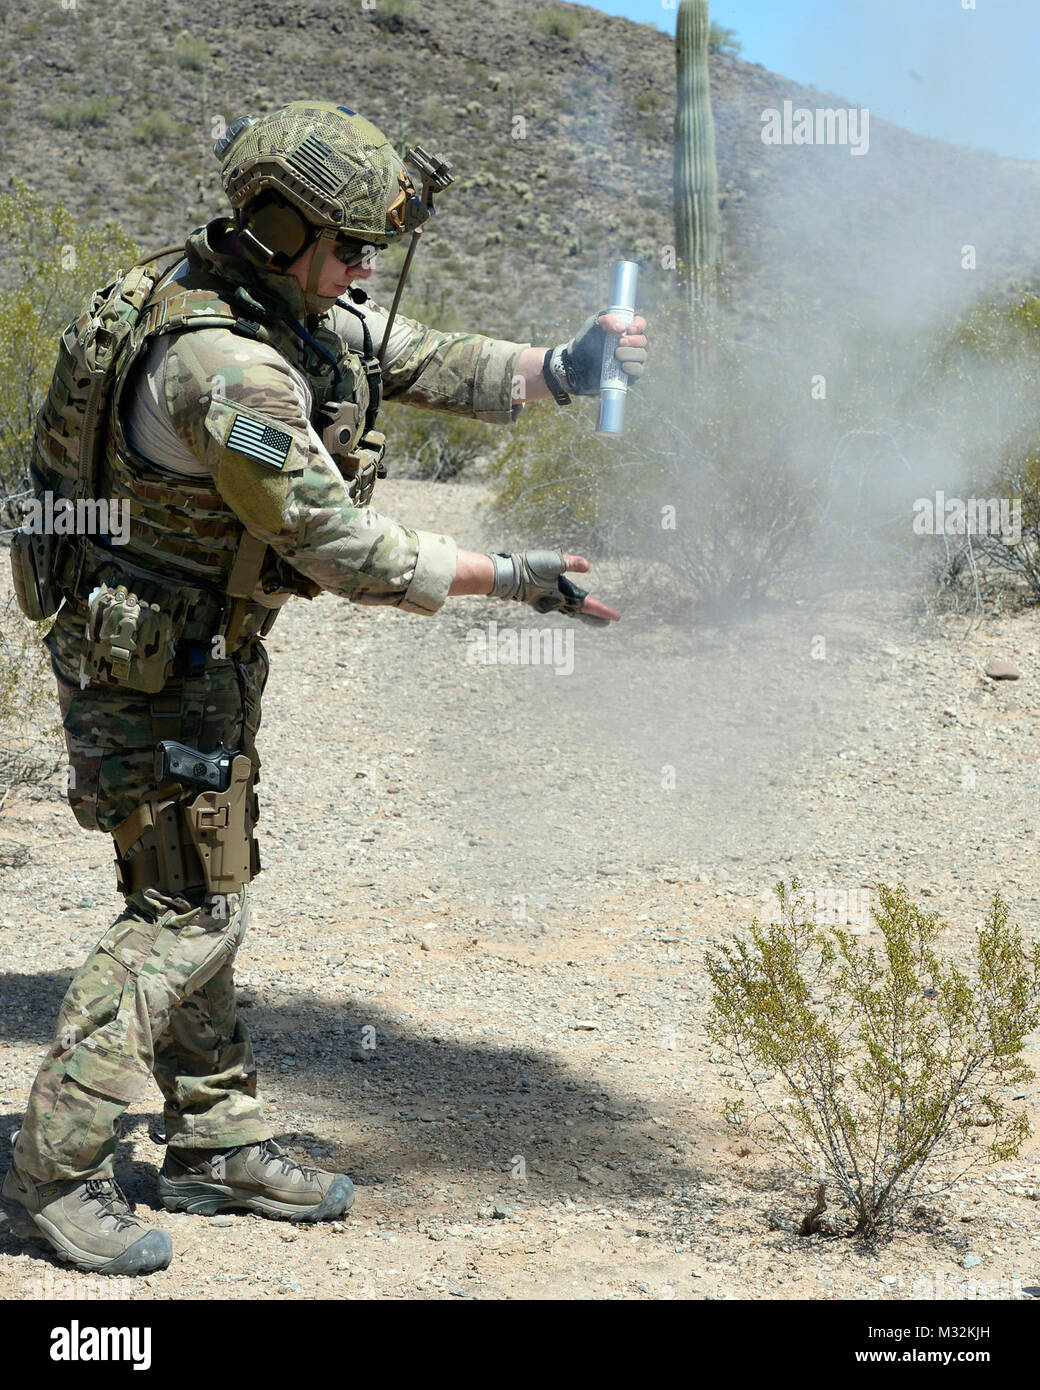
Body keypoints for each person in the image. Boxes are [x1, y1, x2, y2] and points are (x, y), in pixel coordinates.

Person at [1, 101, 648, 1276]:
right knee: (183, 911)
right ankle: (51, 1171)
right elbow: (334, 546)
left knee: (204, 875)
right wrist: (509, 577)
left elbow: (413, 354)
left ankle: (212, 1141)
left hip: (188, 650)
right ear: (277, 223)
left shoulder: (267, 303)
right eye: (350, 247)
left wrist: (562, 369)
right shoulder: (227, 369)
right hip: (148, 664)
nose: (360, 272)